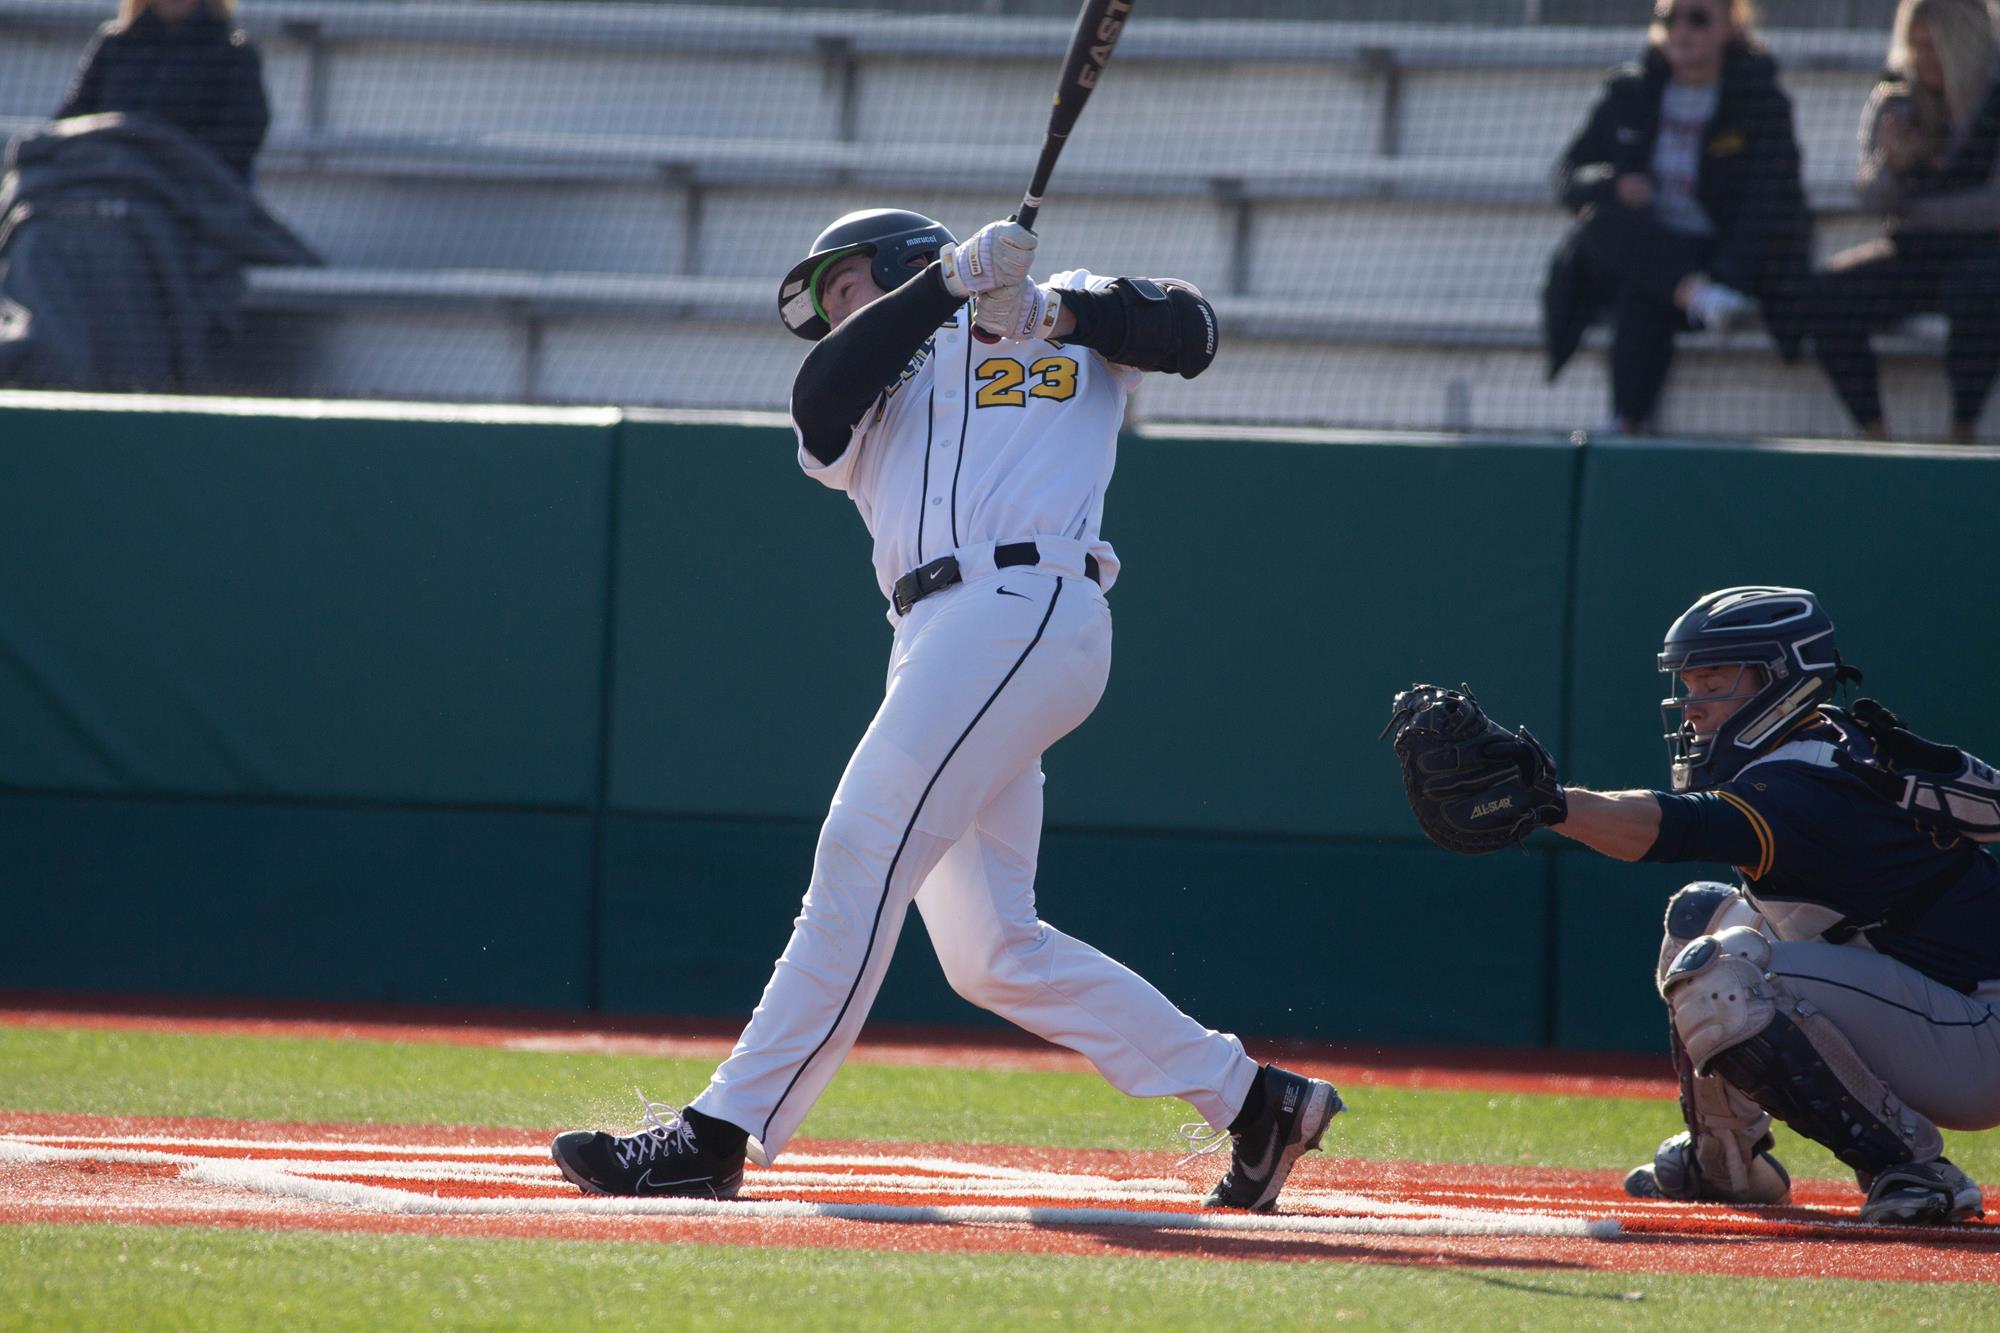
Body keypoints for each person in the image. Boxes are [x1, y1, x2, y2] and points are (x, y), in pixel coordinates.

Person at [549, 209, 1339, 1213]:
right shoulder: (865, 403)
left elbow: (1192, 332)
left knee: (861, 840)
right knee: (991, 952)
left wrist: (1057, 310)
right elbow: (819, 391)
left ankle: (716, 1133)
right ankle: (1254, 1100)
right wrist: (944, 288)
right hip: (938, 637)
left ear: (897, 258)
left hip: (1028, 601)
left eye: (847, 289)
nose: (838, 316)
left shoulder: (1062, 322)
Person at [1462, 586, 2000, 1223]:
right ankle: (1726, 1160)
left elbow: (1678, 827)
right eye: (1689, 684)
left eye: (1713, 680)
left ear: (1780, 680)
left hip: (1977, 1033)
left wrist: (1551, 803)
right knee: (1702, 915)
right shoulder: (1825, 749)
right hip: (1940, 1006)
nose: (1692, 706)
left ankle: (1913, 1167)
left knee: (1721, 973)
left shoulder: (1808, 779)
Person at [1544, 1, 1811, 433]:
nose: (1681, 31)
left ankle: (1626, 424)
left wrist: (1732, 270)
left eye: (1698, 19)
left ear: (1729, 26)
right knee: (1600, 226)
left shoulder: (1759, 99)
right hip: (1642, 243)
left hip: (1718, 253)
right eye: (1670, 19)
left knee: (1646, 288)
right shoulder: (1630, 91)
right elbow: (1565, 177)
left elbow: (1774, 199)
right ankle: (1698, 299)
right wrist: (1614, 185)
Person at [1806, 0, 2000, 444]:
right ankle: (1876, 435)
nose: (1926, 60)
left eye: (1937, 48)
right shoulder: (1896, 99)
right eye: (1918, 48)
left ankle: (1961, 431)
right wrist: (1892, 166)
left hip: (1984, 258)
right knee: (1825, 296)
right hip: (1914, 254)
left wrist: (1916, 207)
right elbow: (1872, 198)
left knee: (1978, 293)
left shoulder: (1994, 98)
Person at [56, 0, 270, 181]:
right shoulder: (114, 44)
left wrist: (169, 168)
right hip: (110, 191)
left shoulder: (234, 53)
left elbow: (241, 138)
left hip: (194, 204)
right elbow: (70, 119)